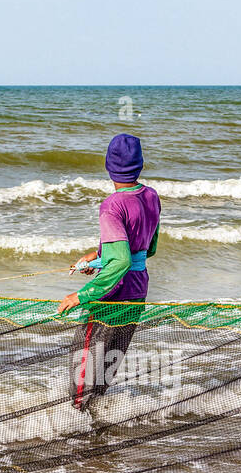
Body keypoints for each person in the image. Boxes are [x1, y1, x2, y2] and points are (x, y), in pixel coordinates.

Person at [55, 134, 161, 410]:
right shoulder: (150, 196)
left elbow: (121, 261)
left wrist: (83, 294)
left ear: (108, 166)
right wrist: (99, 256)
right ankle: (99, 412)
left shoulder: (112, 205)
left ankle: (75, 420)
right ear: (139, 164)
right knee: (112, 354)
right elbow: (146, 250)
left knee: (87, 357)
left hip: (113, 291)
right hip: (138, 287)